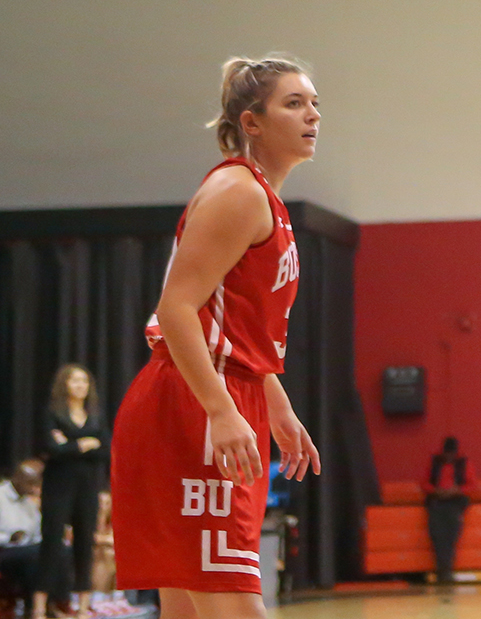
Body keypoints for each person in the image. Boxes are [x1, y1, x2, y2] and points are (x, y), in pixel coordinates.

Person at [110, 56, 322, 618]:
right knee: (232, 607)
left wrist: (275, 403)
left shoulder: (264, 199)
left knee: (188, 609)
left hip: (222, 392)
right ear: (251, 123)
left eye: (315, 103)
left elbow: (236, 329)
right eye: (294, 103)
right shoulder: (239, 192)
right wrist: (221, 410)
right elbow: (176, 308)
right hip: (193, 400)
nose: (312, 115)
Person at [37, 365, 108, 619]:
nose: (80, 385)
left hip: (87, 487)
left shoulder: (95, 416)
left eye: (84, 381)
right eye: (75, 380)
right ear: (64, 384)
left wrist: (68, 443)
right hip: (57, 486)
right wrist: (84, 443)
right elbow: (51, 449)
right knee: (52, 542)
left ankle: (82, 607)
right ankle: (39, 607)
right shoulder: (53, 413)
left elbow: (104, 451)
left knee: (84, 543)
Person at [424, 438, 470, 585]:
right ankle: (442, 572)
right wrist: (435, 491)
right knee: (438, 538)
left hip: (455, 505)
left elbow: (472, 484)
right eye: (447, 453)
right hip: (437, 503)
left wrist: (458, 490)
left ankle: (446, 572)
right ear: (443, 452)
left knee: (450, 539)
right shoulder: (434, 463)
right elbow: (424, 483)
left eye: (452, 454)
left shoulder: (464, 463)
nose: (450, 456)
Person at [1, 460, 41, 615]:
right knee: (34, 555)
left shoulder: (30, 503)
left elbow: (36, 533)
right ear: (17, 478)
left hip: (27, 550)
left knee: (54, 551)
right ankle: (31, 607)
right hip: (4, 551)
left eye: (35, 483)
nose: (33, 488)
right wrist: (9, 537)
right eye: (30, 483)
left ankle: (55, 603)